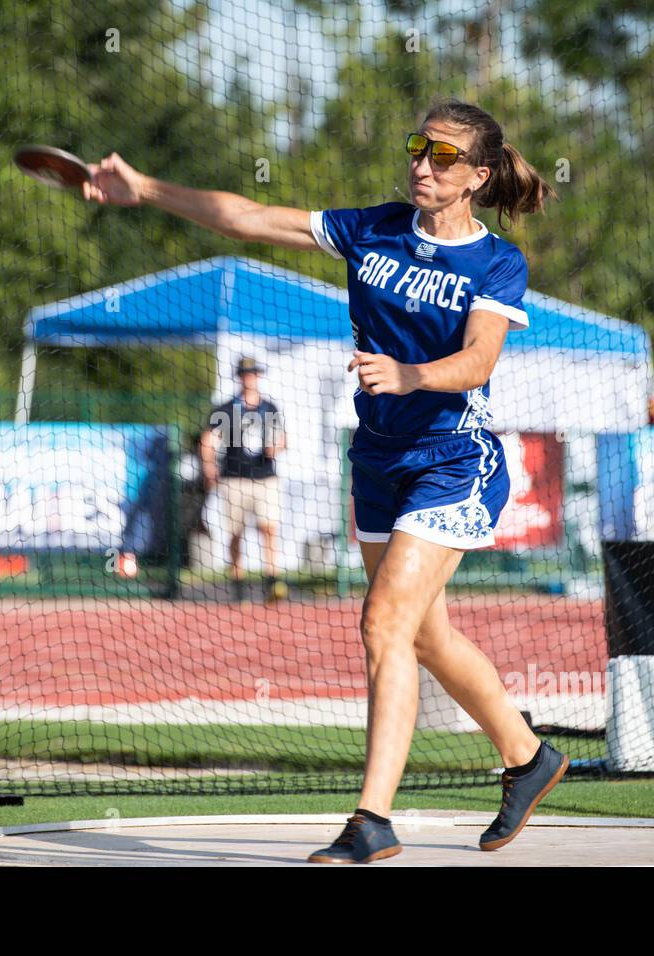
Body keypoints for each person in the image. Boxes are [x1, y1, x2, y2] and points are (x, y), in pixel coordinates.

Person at [79, 98, 564, 863]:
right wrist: (146, 187)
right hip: (377, 465)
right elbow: (246, 216)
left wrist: (408, 374)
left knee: (382, 623)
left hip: (455, 463)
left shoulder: (497, 261)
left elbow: (478, 362)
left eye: (442, 157)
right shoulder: (371, 228)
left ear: (475, 176)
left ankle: (371, 820)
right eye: (417, 147)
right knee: (424, 634)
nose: (422, 164)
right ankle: (528, 755)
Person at [200, 356, 288, 603]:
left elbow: (282, 438)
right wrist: (208, 466)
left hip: (265, 478)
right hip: (234, 479)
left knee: (269, 528)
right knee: (235, 533)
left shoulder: (269, 407)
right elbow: (208, 440)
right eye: (245, 374)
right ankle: (238, 584)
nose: (249, 378)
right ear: (239, 377)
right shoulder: (225, 409)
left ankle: (273, 582)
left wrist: (276, 448)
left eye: (253, 374)